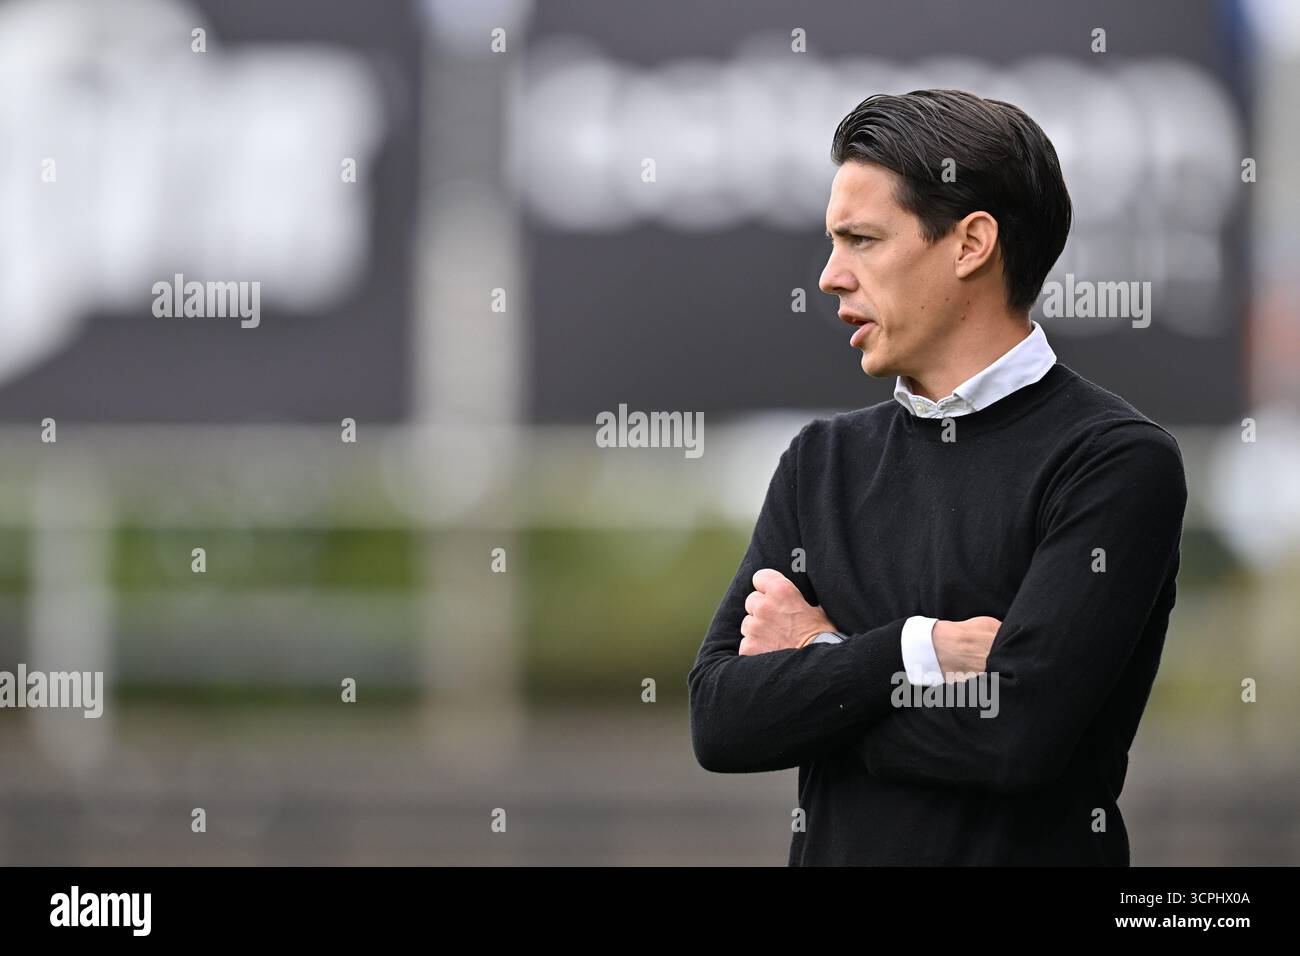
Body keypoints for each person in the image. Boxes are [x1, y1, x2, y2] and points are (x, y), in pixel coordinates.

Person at [687, 89, 1187, 865]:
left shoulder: (1115, 462)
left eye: (861, 240)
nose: (829, 277)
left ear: (969, 244)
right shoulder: (821, 462)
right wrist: (914, 652)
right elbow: (721, 721)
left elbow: (1014, 740)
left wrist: (821, 661)